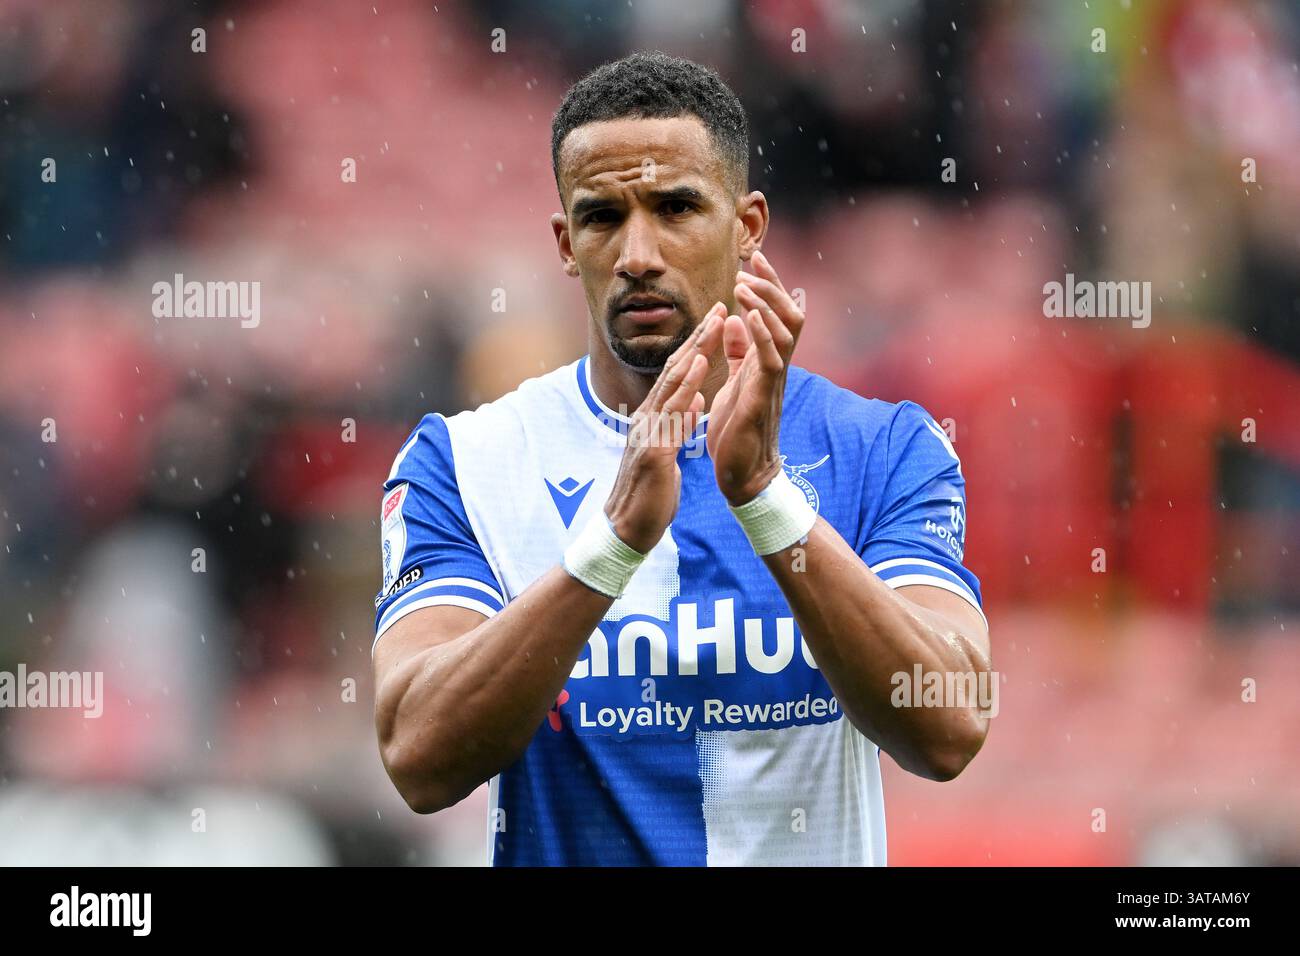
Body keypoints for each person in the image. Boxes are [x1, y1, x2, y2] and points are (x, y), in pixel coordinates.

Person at [371, 51, 991, 866]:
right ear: (565, 242)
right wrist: (612, 545)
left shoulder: (884, 448)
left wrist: (767, 499)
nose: (637, 253)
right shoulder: (465, 461)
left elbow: (948, 728)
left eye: (676, 208)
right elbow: (418, 757)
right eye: (601, 217)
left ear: (748, 227)